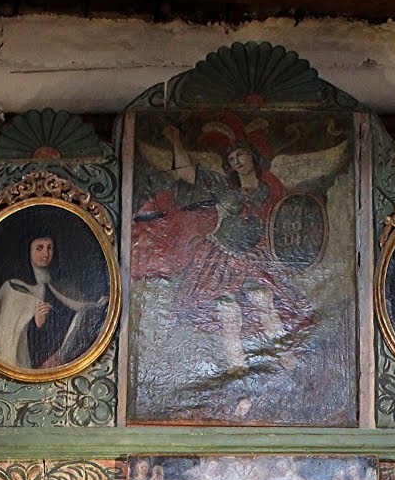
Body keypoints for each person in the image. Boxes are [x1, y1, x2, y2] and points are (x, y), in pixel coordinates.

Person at [132, 115, 316, 371]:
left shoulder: (270, 189)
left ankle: (287, 359)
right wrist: (176, 141)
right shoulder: (224, 188)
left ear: (252, 157)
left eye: (240, 155)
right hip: (220, 257)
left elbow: (287, 219)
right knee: (229, 313)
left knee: (263, 300)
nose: (236, 161)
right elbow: (187, 174)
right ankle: (236, 370)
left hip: (253, 256)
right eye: (231, 159)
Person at [0, 235, 108, 369]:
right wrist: (35, 324)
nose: (46, 254)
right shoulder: (13, 289)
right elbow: (9, 337)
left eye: (50, 248)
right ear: (27, 251)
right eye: (39, 248)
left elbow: (74, 325)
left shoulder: (66, 287)